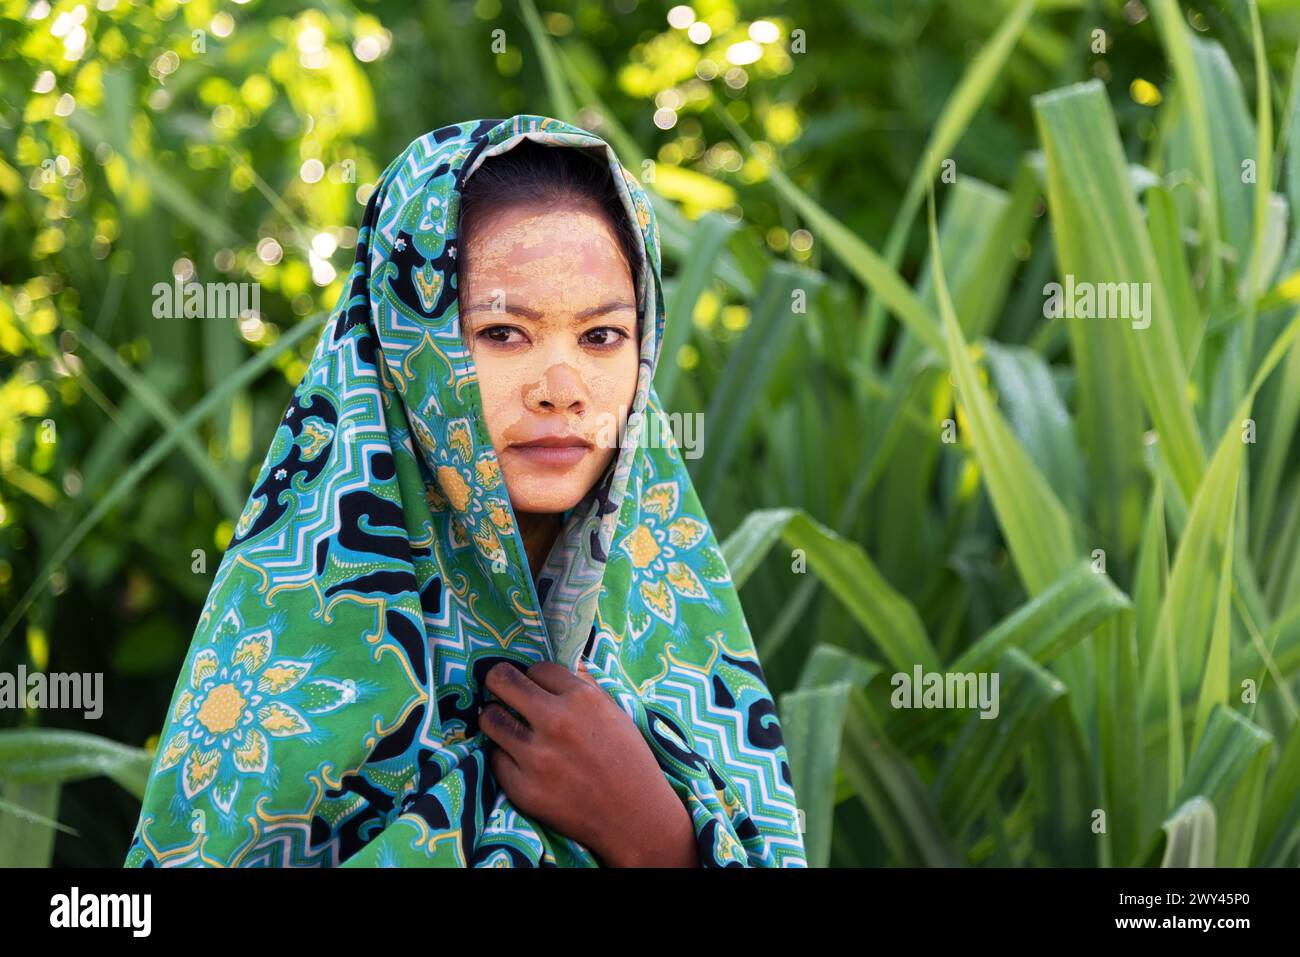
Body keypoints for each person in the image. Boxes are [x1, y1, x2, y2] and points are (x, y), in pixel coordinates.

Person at [123, 115, 807, 867]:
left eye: (601, 335)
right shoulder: (289, 652)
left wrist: (655, 835)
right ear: (411, 343)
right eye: (503, 333)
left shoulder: (670, 615)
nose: (561, 389)